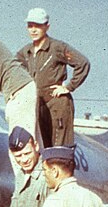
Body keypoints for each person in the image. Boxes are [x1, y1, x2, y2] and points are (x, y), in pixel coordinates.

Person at [17, 8, 90, 148]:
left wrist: (68, 87)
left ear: (47, 26)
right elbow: (11, 68)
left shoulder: (57, 47)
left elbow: (83, 63)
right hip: (37, 104)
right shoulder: (25, 52)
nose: (33, 30)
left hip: (56, 103)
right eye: (30, 26)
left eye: (37, 26)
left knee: (60, 149)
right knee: (42, 148)